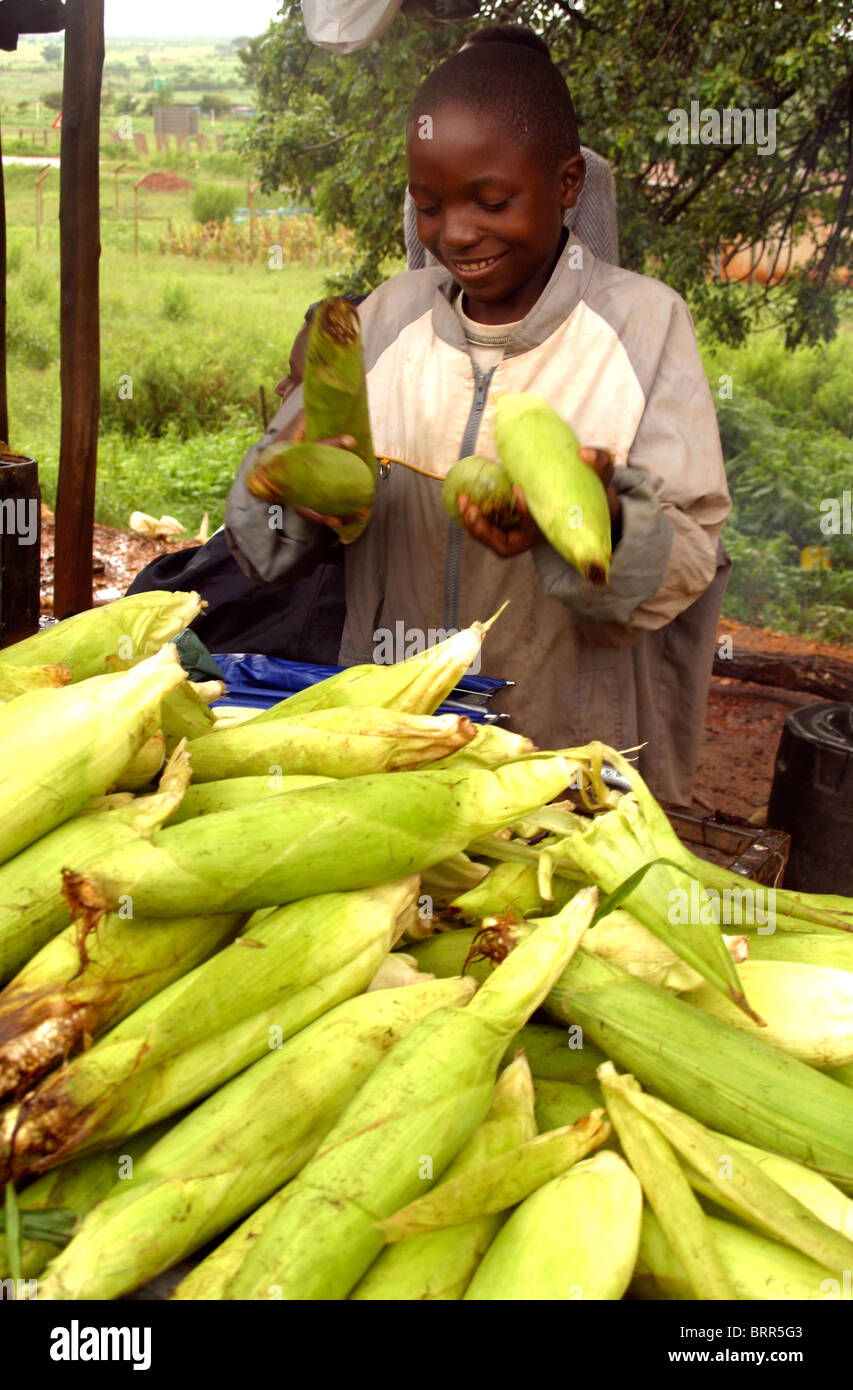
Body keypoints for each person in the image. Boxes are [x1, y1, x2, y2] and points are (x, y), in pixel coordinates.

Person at [225, 40, 731, 804]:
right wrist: (293, 501)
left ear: (566, 184)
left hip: (565, 764)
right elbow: (265, 529)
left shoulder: (643, 325)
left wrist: (599, 523)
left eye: (489, 203)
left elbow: (688, 555)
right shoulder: (385, 318)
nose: (455, 233)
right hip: (396, 748)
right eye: (429, 204)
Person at [403, 24, 619, 270]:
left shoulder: (588, 169)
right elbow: (417, 276)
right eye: (430, 207)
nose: (456, 237)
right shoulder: (428, 171)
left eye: (494, 202)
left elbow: (599, 278)